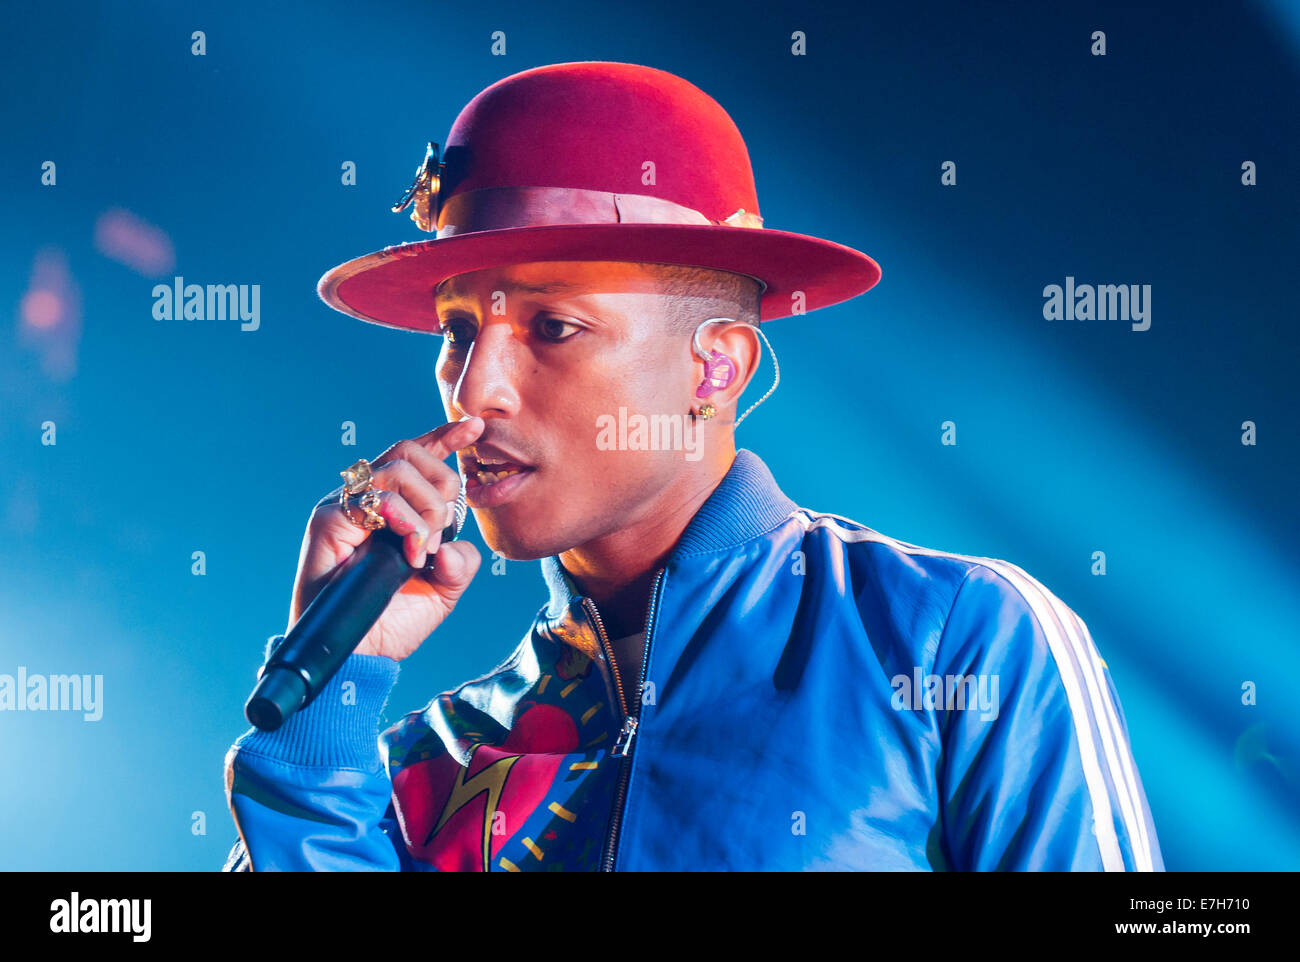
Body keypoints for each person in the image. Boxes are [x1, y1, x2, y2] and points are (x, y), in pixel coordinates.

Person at [222, 61, 1162, 871]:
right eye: (459, 331)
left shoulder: (953, 640)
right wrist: (327, 690)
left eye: (554, 327)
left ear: (717, 366)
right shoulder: (419, 761)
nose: (476, 392)